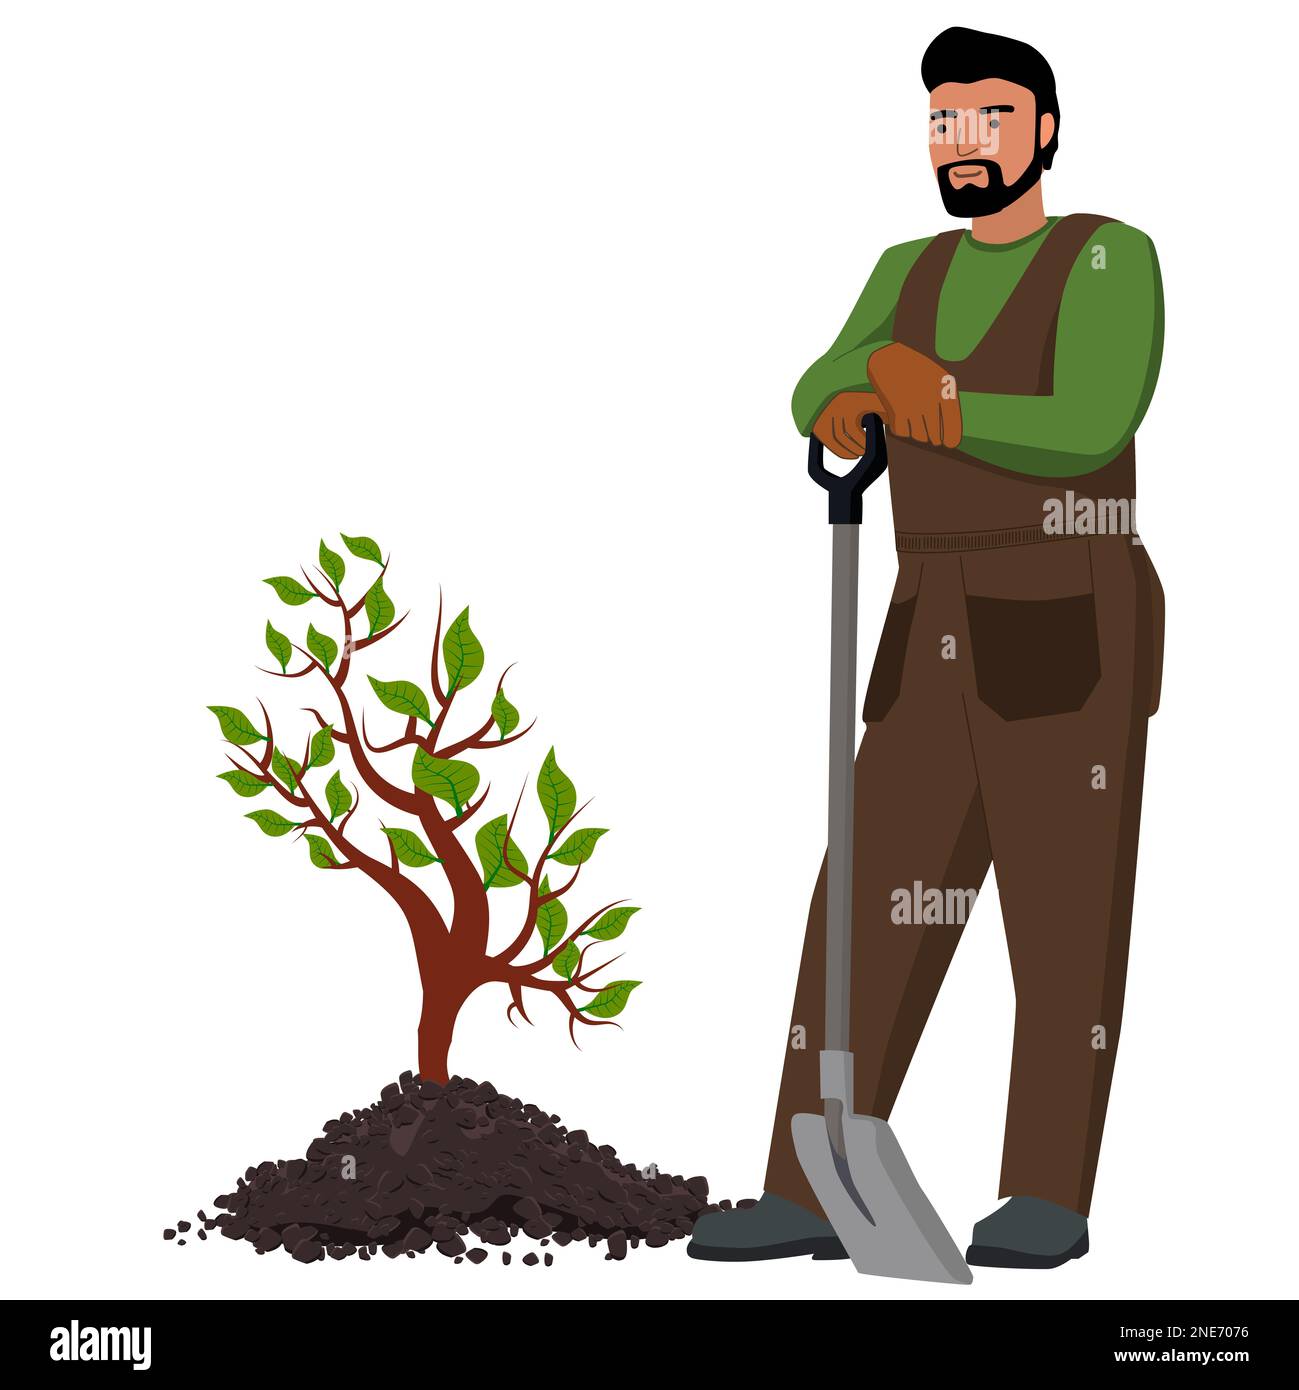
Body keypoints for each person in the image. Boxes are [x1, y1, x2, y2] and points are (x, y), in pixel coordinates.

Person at [688, 25, 1165, 1270]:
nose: (964, 144)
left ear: (1043, 131)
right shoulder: (907, 269)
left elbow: (1088, 420)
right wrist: (849, 401)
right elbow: (816, 384)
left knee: (1062, 914)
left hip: (1067, 612)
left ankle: (1045, 1194)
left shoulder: (1106, 257)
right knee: (860, 903)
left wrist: (933, 404)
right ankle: (806, 1183)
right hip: (928, 616)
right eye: (945, 121)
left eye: (990, 118)